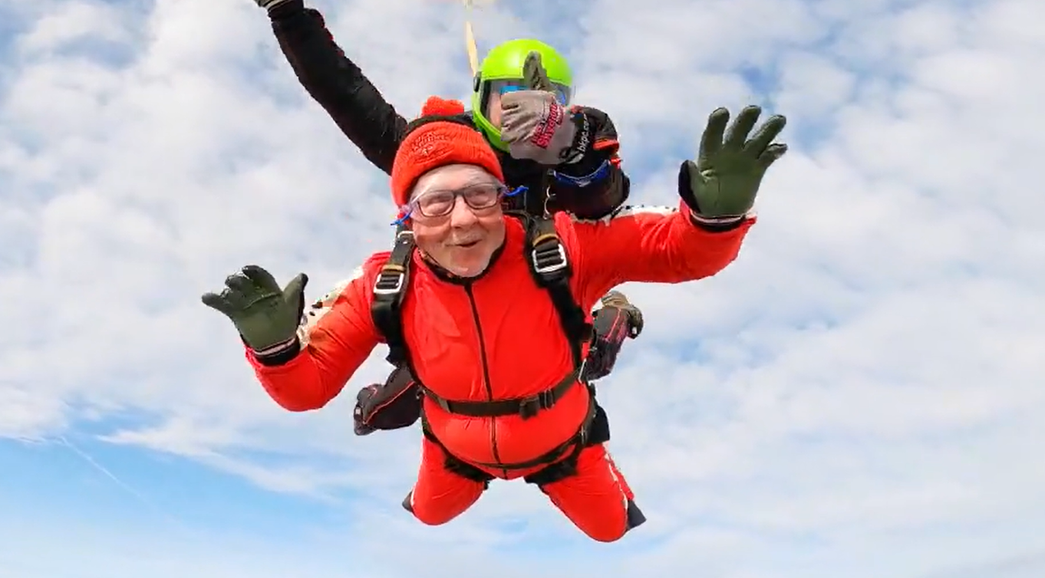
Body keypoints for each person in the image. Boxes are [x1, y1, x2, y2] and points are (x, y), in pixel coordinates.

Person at [201, 98, 787, 541]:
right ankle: (442, 473)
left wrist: (717, 215)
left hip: (565, 444)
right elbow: (307, 390)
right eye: (435, 202)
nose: (462, 221)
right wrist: (275, 349)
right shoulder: (385, 280)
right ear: (407, 216)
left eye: (480, 195)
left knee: (611, 529)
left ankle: (597, 420)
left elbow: (678, 252)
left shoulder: (560, 246)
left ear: (503, 195)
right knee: (429, 515)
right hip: (455, 451)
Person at [220, 0, 645, 436]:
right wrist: (285, 11)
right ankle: (388, 396)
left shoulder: (563, 169)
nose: (519, 111)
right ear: (480, 99)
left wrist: (568, 142)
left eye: (540, 99)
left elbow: (605, 196)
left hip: (538, 306)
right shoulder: (435, 150)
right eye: (506, 97)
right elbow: (347, 94)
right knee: (389, 408)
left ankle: (580, 372)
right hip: (444, 307)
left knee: (603, 324)